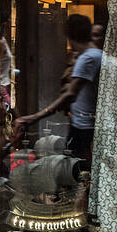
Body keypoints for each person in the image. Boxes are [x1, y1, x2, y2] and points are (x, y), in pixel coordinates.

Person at [14, 13, 102, 165]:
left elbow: (70, 94)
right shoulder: (96, 55)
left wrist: (34, 117)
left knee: (76, 170)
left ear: (70, 36)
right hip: (85, 124)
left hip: (83, 127)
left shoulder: (87, 58)